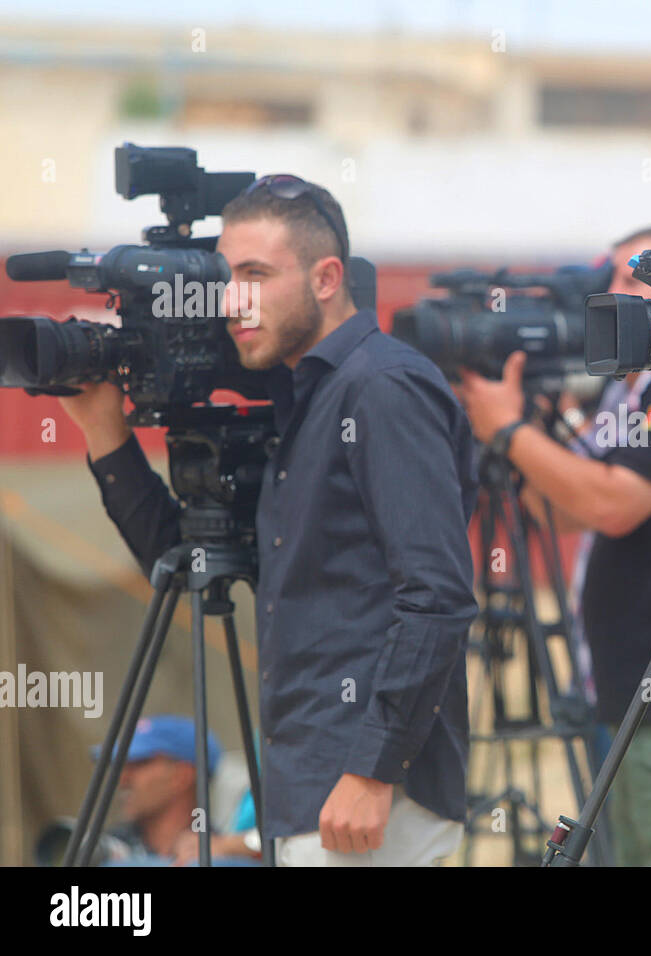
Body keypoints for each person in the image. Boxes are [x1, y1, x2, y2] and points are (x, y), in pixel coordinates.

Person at [59, 176, 478, 866]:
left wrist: (373, 771)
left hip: (368, 799)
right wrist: (106, 434)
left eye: (256, 274)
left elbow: (438, 596)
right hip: (311, 789)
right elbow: (186, 561)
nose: (234, 300)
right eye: (227, 277)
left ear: (327, 277)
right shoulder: (306, 402)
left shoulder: (380, 388)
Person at [454, 226, 651, 865]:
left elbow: (611, 502)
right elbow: (567, 510)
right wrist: (521, 431)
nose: (618, 295)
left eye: (641, 278)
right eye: (618, 279)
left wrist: (511, 429)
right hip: (641, 702)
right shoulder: (634, 389)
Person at [92, 714, 258, 866]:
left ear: (183, 776)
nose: (122, 779)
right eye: (121, 766)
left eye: (139, 764)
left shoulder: (228, 854)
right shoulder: (101, 848)